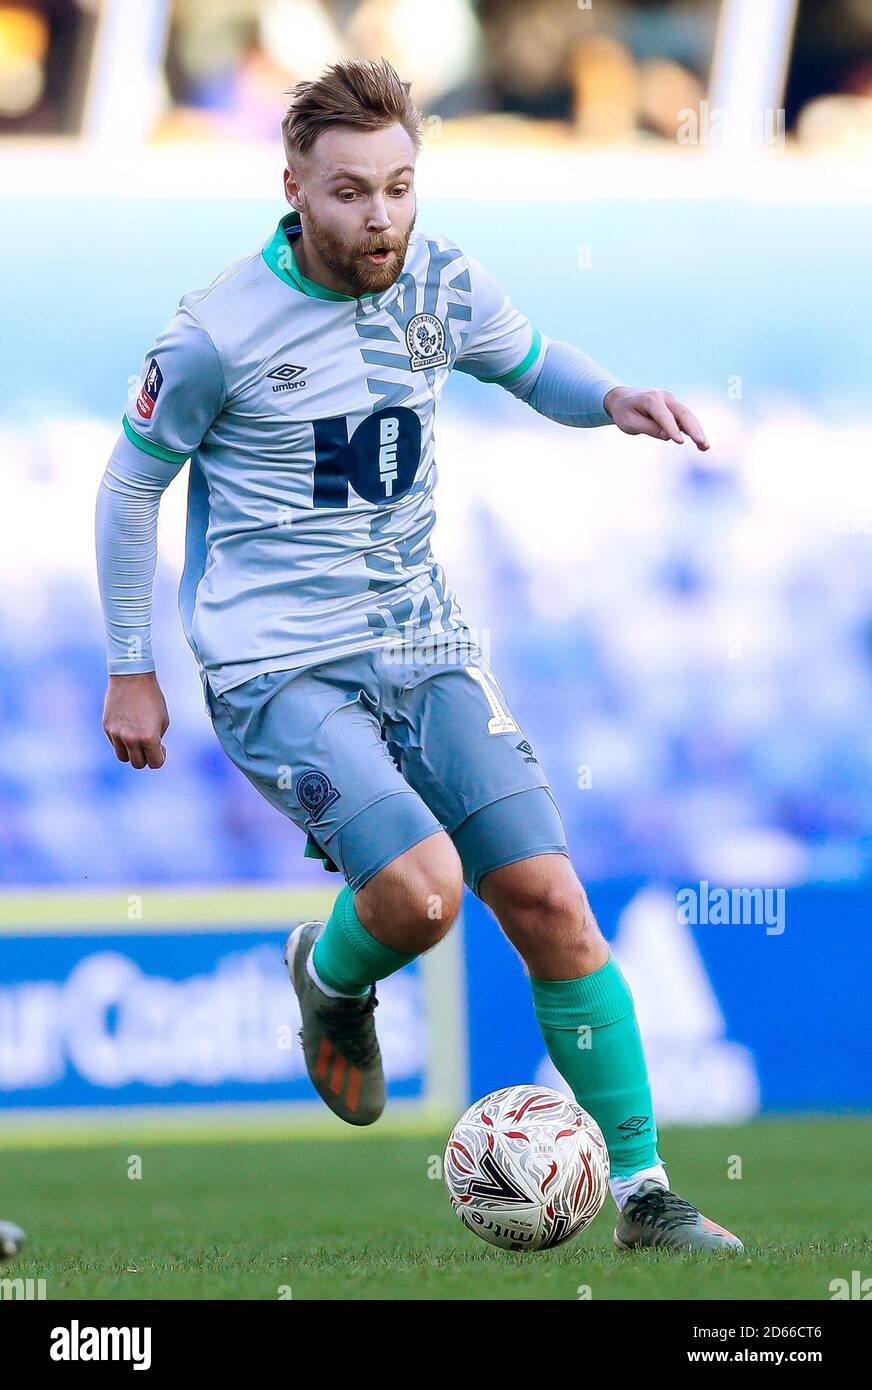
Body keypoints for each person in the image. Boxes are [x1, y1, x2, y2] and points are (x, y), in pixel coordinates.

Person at [96, 58, 741, 1253]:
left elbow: (528, 361)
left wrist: (614, 398)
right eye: (349, 192)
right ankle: (331, 978)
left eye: (398, 187)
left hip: (421, 644)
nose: (380, 216)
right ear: (293, 185)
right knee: (422, 894)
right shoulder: (213, 333)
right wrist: (131, 663)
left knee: (549, 902)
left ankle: (644, 1194)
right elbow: (133, 485)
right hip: (276, 667)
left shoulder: (439, 279)